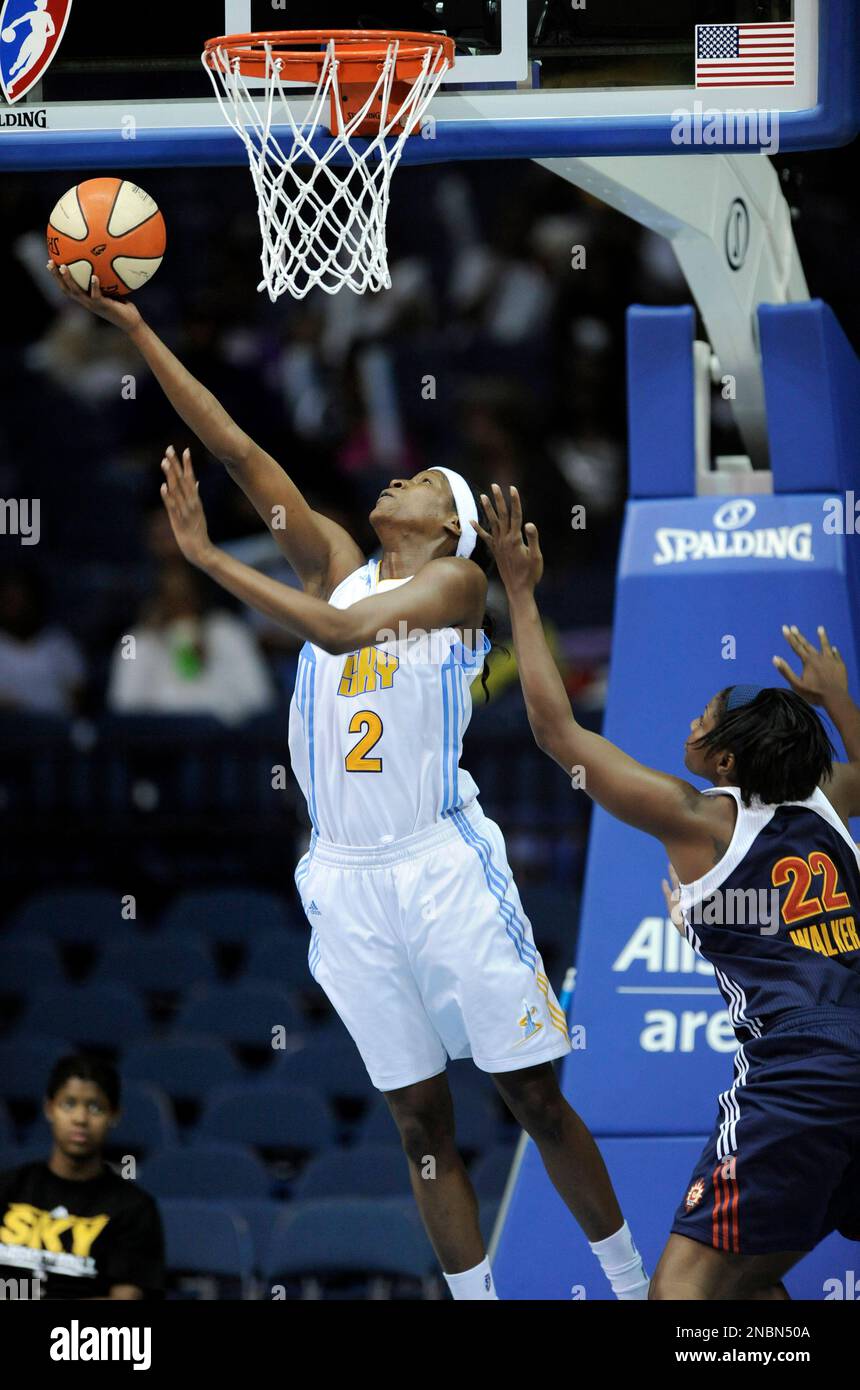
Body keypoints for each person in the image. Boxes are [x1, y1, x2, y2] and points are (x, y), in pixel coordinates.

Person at [47, 263, 650, 1302]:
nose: (395, 479)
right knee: (418, 1120)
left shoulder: (456, 583)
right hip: (340, 876)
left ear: (449, 522)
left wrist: (204, 559)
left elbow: (329, 631)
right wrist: (141, 328)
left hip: (438, 861)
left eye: (418, 481)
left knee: (530, 1095)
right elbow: (238, 448)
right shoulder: (334, 557)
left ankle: (633, 1286)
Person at [476, 482, 860, 1301]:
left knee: (678, 1300)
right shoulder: (827, 798)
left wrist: (517, 588)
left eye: (704, 718)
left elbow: (556, 731)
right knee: (748, 1287)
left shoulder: (698, 819)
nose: (688, 723)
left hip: (798, 1069)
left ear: (725, 760)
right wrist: (839, 700)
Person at [0, 1055, 165, 1299]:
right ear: (49, 1109)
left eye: (95, 1107)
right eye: (69, 1104)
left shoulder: (134, 1209)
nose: (80, 1119)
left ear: (114, 1115)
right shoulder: (8, 1187)